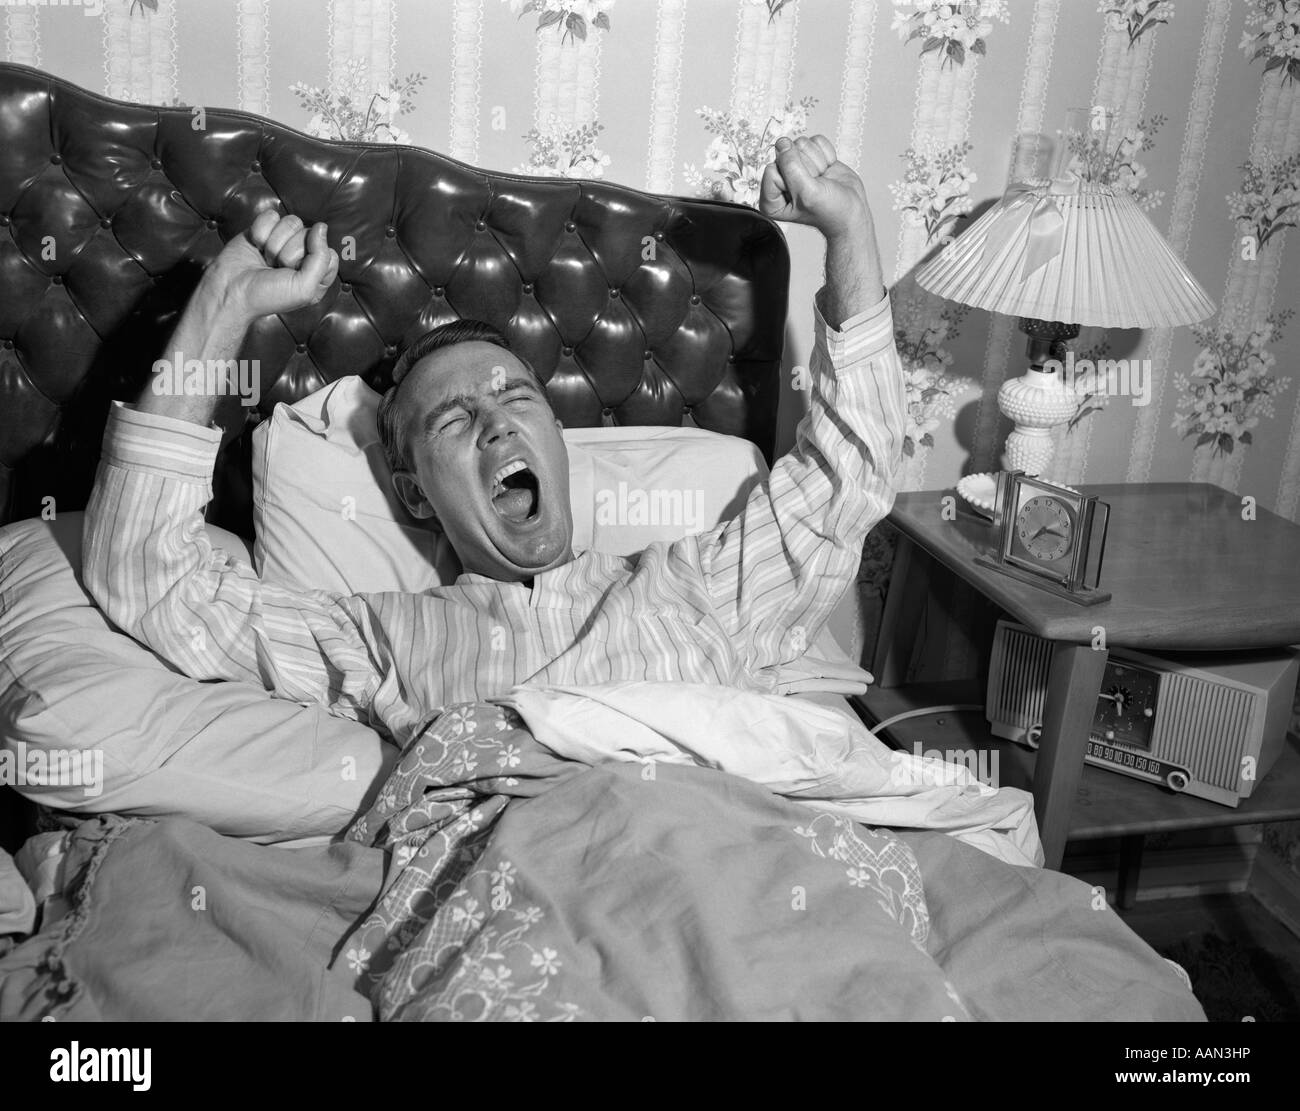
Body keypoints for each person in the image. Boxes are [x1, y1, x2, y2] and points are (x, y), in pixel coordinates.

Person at [83, 135, 906, 749]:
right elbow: (146, 576)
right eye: (453, 420)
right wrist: (222, 304)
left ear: (555, 437)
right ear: (412, 493)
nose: (498, 420)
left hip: (713, 863)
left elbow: (849, 475)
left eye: (517, 396)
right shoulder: (382, 638)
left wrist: (850, 233)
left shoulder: (696, 586)